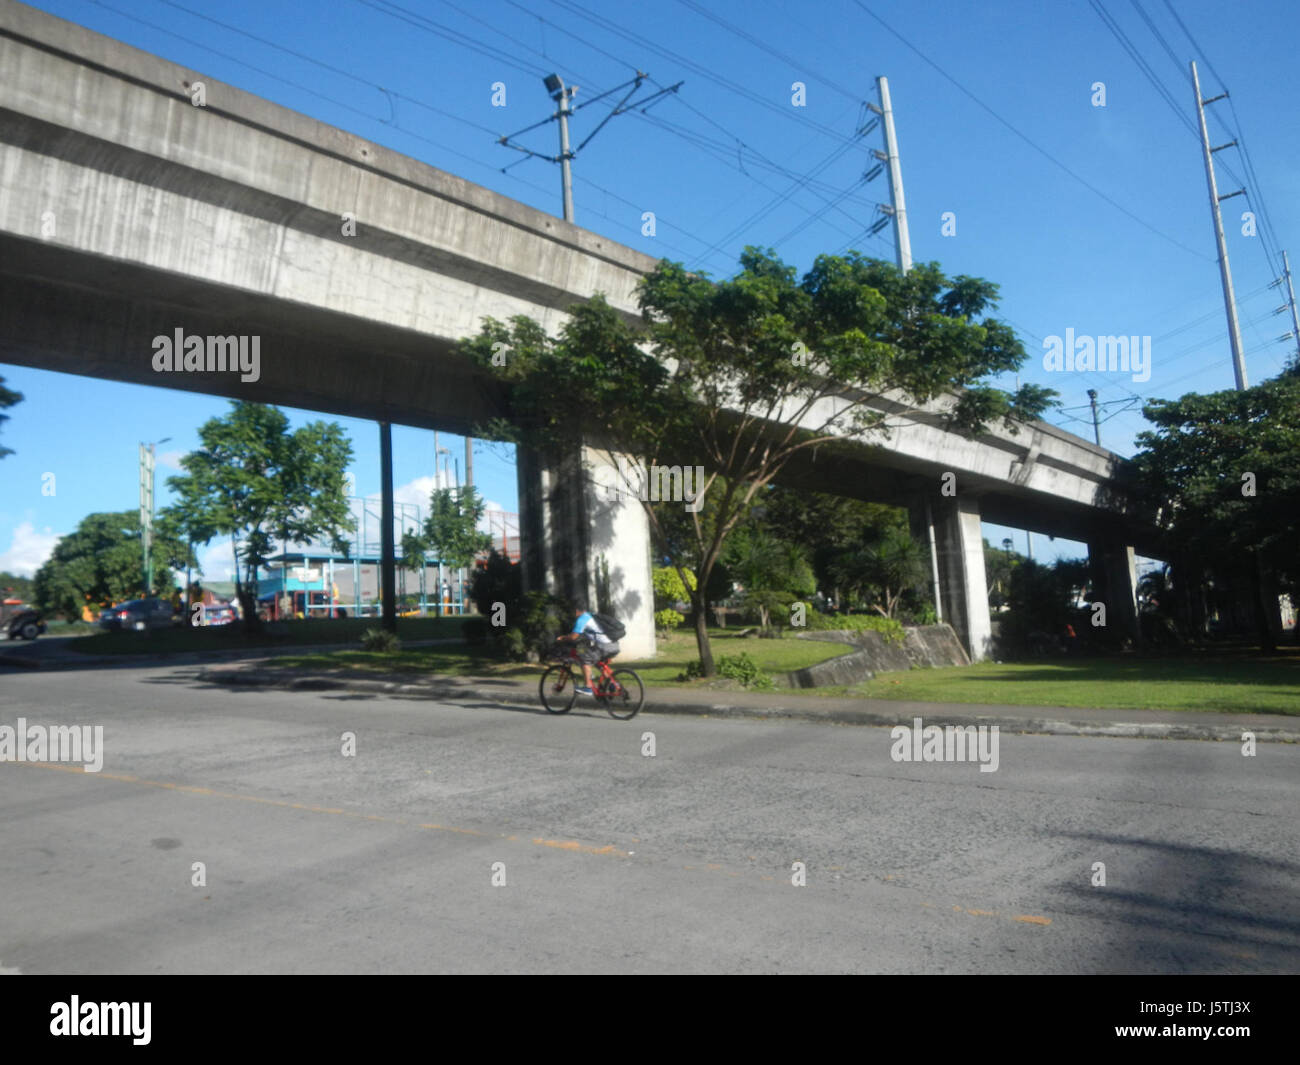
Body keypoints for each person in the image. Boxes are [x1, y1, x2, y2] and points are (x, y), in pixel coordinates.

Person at [558, 606, 620, 695]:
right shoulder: (591, 616)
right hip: (614, 645)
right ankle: (612, 683)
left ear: (576, 610)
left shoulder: (582, 619)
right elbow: (587, 634)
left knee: (584, 658)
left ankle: (588, 687)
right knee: (594, 658)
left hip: (604, 646)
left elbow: (573, 636)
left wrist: (563, 638)